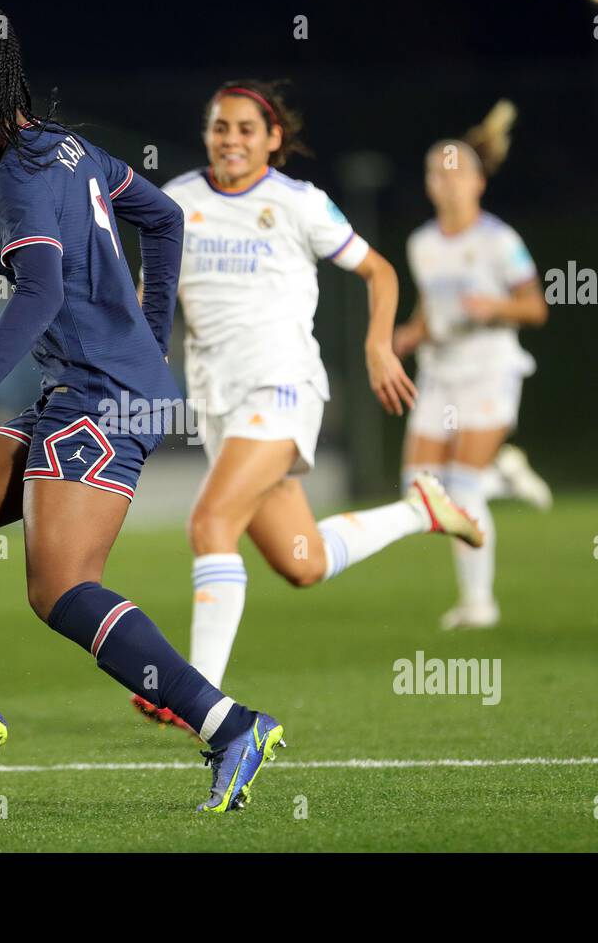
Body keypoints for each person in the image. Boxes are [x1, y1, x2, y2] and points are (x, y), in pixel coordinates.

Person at [0, 9, 284, 813]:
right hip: (89, 389)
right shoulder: (69, 149)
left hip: (104, 398)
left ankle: (230, 725)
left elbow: (43, 289)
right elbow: (163, 217)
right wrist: (148, 334)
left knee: (61, 587)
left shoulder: (20, 176)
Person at [134, 79, 482, 723]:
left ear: (273, 139)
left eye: (245, 129)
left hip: (283, 385)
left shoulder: (298, 203)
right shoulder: (174, 203)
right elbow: (151, 303)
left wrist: (380, 344)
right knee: (304, 562)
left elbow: (379, 270)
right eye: (220, 127)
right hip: (218, 404)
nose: (230, 140)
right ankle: (420, 511)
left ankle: (197, 695)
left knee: (210, 523)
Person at [392, 101, 548, 630]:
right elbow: (428, 311)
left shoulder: (499, 241)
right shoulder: (422, 244)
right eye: (437, 172)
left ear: (479, 182)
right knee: (419, 491)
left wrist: (497, 308)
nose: (447, 182)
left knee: (461, 485)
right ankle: (503, 471)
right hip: (440, 373)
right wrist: (408, 336)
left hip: (489, 369)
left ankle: (479, 603)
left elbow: (536, 307)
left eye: (457, 172)